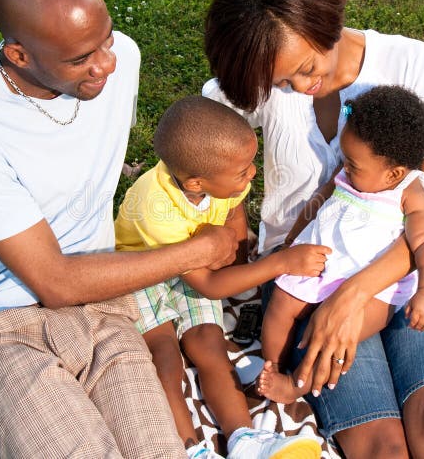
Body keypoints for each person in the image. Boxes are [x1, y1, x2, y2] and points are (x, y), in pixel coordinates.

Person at [0, 0, 241, 458]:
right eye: (80, 59)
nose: (107, 64)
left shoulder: (122, 63)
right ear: (19, 55)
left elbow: (84, 154)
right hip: (3, 327)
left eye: (107, 38)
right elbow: (54, 282)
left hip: (108, 311)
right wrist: (196, 252)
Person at [202, 0, 424, 459]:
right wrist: (237, 228)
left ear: (327, 18)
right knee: (381, 445)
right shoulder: (262, 78)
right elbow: (207, 145)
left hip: (404, 270)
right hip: (304, 274)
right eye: (283, 81)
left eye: (307, 67)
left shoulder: (413, 65)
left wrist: (354, 294)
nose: (300, 88)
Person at [114, 95, 327, 459]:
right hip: (142, 270)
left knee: (211, 346)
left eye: (250, 165)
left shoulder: (225, 180)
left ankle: (244, 439)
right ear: (196, 183)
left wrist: (240, 268)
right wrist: (281, 263)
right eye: (243, 172)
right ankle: (190, 449)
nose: (252, 176)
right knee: (165, 356)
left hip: (193, 265)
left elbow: (234, 217)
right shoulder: (156, 209)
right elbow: (208, 285)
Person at [258, 85, 424, 405]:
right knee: (281, 303)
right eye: (345, 159)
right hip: (323, 264)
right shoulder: (348, 173)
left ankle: (296, 384)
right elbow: (319, 201)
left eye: (353, 165)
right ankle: (272, 364)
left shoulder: (408, 193)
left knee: (333, 345)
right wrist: (293, 237)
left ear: (393, 174)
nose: (344, 167)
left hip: (374, 289)